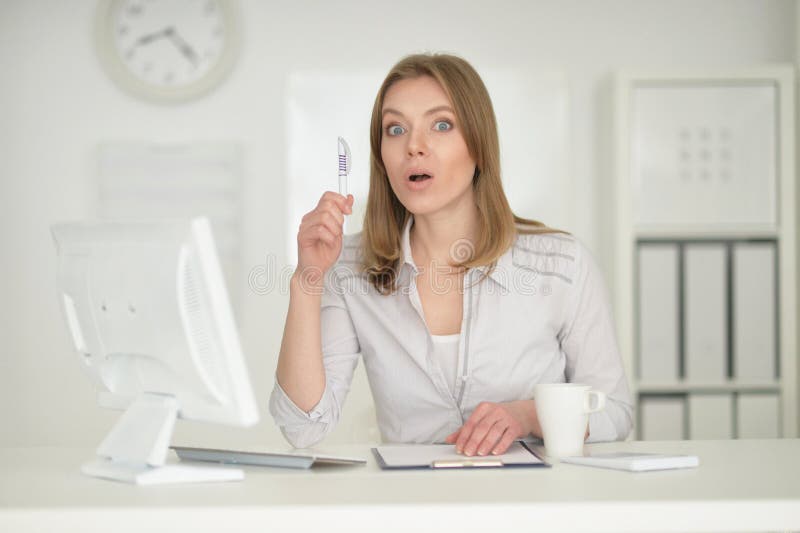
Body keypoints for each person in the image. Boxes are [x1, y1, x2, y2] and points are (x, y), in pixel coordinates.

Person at [270, 53, 633, 456]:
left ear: (478, 146)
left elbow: (614, 413)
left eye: (441, 125)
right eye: (395, 129)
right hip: (414, 511)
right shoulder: (352, 268)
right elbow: (302, 428)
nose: (414, 147)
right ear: (382, 158)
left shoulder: (562, 264)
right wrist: (308, 280)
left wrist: (530, 415)